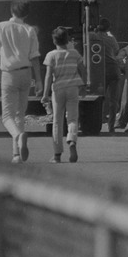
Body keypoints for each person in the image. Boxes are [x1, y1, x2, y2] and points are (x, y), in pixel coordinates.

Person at [0, 0, 43, 163]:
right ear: (26, 14)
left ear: (12, 10)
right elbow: (35, 57)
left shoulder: (1, 27)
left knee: (7, 115)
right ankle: (16, 154)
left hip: (9, 73)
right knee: (20, 114)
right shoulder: (30, 30)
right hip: (26, 73)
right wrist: (39, 80)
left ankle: (18, 137)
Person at [41, 27, 86, 163]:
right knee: (72, 118)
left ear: (54, 40)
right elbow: (83, 70)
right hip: (73, 88)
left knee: (57, 121)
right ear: (67, 40)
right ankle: (72, 140)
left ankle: (57, 155)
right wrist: (83, 86)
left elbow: (49, 76)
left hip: (58, 90)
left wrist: (45, 94)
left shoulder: (51, 55)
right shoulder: (74, 53)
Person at [91, 17, 122, 132]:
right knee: (113, 100)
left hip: (99, 70)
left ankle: (97, 121)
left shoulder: (93, 36)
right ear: (108, 28)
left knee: (98, 98)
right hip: (113, 69)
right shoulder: (111, 38)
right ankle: (111, 125)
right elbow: (116, 51)